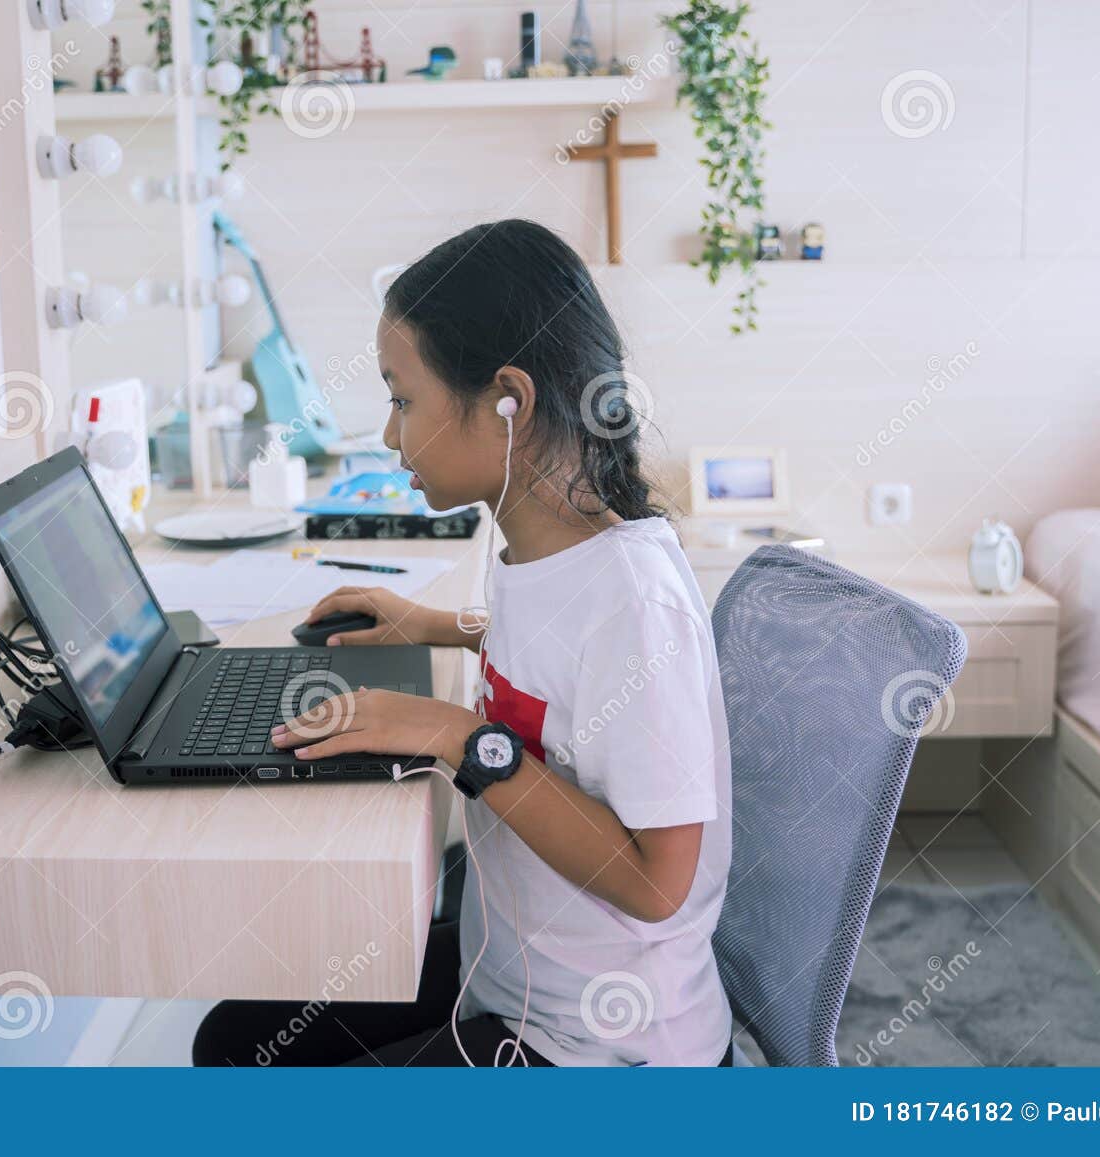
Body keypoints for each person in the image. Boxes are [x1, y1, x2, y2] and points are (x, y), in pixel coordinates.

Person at [193, 219, 733, 1067]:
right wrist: (433, 624)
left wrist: (456, 737)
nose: (388, 435)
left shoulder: (635, 600)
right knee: (234, 1039)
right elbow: (565, 668)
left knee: (241, 1064)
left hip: (605, 1047)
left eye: (403, 399)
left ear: (506, 400)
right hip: (516, 971)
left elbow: (659, 883)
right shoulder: (552, 545)